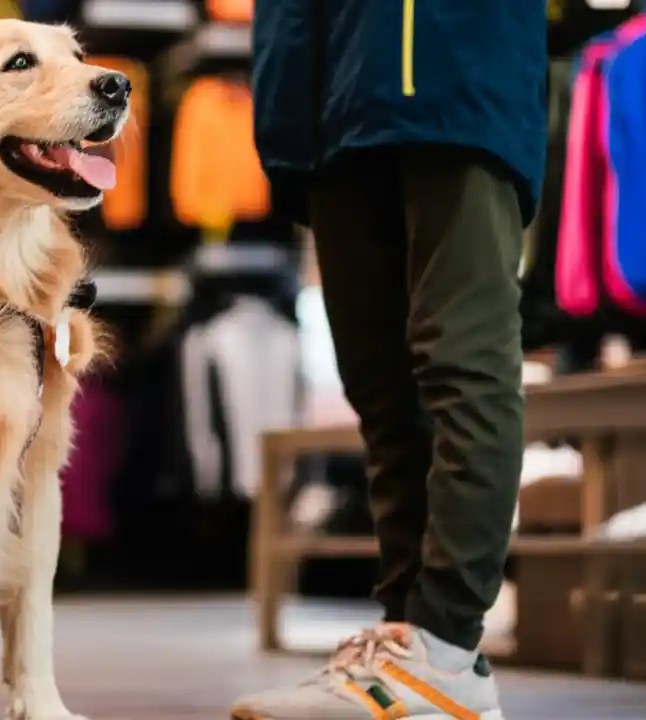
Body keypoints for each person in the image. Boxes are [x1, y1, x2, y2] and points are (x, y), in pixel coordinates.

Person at [232, 3, 547, 719]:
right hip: (324, 98)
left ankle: (445, 647)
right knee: (380, 388)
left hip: (448, 64)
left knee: (462, 364)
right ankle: (403, 650)